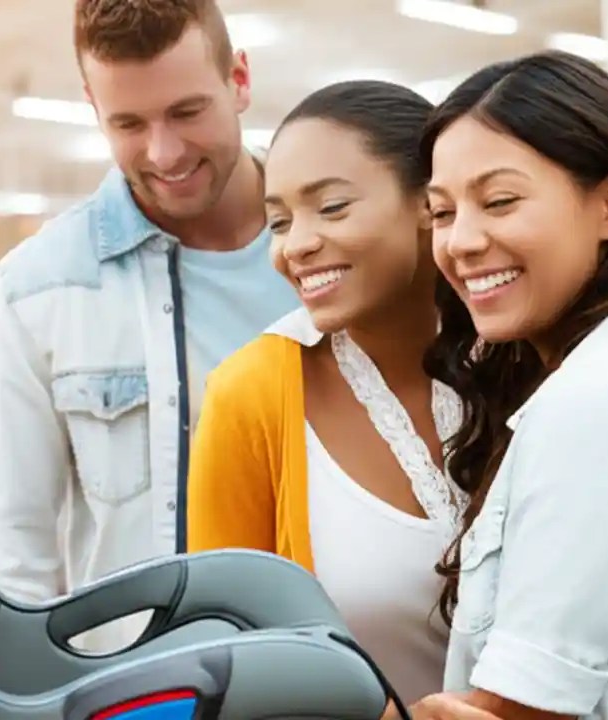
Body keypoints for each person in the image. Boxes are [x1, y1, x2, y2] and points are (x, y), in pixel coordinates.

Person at [0, 0, 298, 652]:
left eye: (187, 112)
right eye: (129, 123)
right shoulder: (37, 292)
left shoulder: (335, 254)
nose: (164, 153)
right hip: (145, 687)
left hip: (330, 677)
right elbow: (6, 555)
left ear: (240, 80)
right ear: (92, 105)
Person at [409, 50, 608, 719]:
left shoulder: (604, 399)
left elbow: (520, 709)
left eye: (499, 201)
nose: (460, 240)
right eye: (441, 211)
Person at [186, 80, 466, 706]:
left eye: (332, 207)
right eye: (280, 221)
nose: (296, 245)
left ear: (430, 201)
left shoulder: (524, 360)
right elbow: (226, 649)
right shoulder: (251, 394)